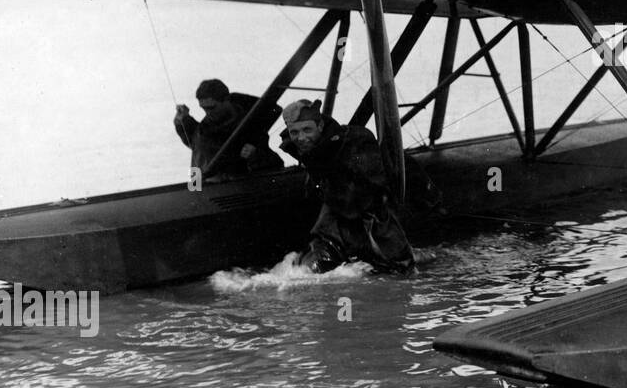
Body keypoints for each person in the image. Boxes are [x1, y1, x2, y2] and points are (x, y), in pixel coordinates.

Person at [280, 99, 436, 273]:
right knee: (306, 267)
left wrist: (428, 199)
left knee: (396, 267)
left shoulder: (354, 144)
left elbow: (390, 179)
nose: (301, 138)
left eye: (307, 129)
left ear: (321, 126)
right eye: (294, 132)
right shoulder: (307, 147)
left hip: (371, 209)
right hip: (339, 211)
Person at [173, 78, 283, 178]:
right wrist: (183, 121)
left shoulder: (248, 123)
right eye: (204, 108)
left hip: (232, 189)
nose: (208, 114)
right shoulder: (207, 126)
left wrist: (255, 154)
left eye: (212, 108)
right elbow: (196, 144)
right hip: (201, 189)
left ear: (226, 101)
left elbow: (272, 163)